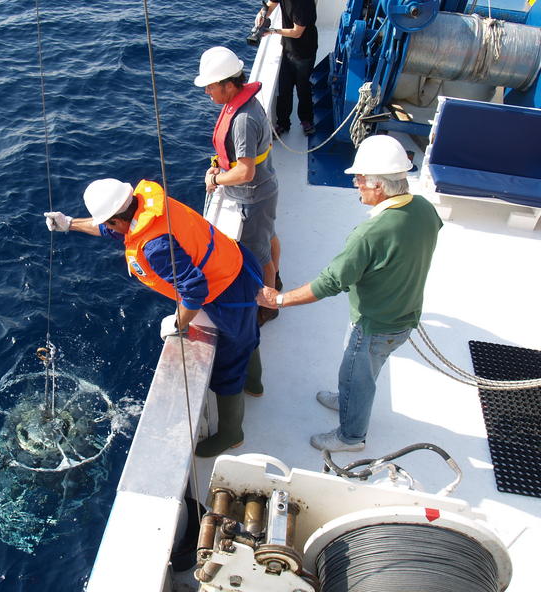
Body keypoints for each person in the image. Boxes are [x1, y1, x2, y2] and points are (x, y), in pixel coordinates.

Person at [44, 178, 264, 457]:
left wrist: (178, 324)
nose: (109, 229)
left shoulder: (155, 247)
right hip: (234, 260)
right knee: (247, 336)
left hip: (228, 290)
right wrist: (70, 223)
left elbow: (195, 291)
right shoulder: (144, 205)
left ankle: (233, 433)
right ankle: (255, 385)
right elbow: (110, 228)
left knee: (230, 361)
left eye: (109, 223)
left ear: (116, 220)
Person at [257, 136, 442, 451]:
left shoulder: (369, 234)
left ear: (379, 187)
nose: (356, 184)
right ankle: (347, 398)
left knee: (358, 375)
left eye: (360, 179)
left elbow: (330, 282)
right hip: (404, 317)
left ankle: (351, 436)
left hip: (373, 325)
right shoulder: (424, 208)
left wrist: (278, 299)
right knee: (363, 370)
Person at [194, 46, 282, 331]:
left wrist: (216, 180)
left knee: (259, 255)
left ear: (229, 86)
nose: (208, 92)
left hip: (254, 197)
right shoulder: (246, 106)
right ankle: (275, 280)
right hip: (264, 191)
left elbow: (245, 171)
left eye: (211, 87)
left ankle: (269, 305)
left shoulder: (242, 120)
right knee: (269, 237)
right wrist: (220, 168)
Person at [258, 0, 318, 136]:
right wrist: (262, 16)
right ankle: (283, 123)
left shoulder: (303, 1)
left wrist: (272, 31)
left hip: (304, 53)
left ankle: (306, 120)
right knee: (284, 89)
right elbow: (270, 5)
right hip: (288, 49)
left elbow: (297, 32)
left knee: (303, 88)